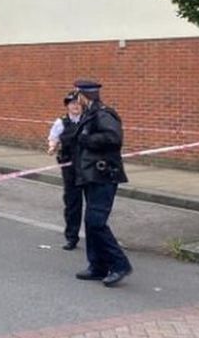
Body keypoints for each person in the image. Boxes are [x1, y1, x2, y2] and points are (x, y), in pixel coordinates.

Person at [72, 78, 132, 287]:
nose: (76, 98)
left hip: (105, 176)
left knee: (96, 222)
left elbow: (114, 138)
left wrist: (87, 141)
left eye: (77, 94)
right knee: (90, 223)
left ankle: (119, 264)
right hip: (91, 176)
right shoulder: (89, 115)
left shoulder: (104, 114)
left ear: (83, 95)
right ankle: (97, 266)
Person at [47, 91, 83, 250]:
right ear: (67, 106)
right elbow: (53, 138)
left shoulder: (88, 120)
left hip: (87, 167)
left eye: (78, 103)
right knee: (72, 203)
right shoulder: (61, 122)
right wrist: (52, 147)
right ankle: (71, 237)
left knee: (93, 204)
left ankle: (96, 237)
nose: (75, 106)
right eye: (72, 103)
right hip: (70, 167)